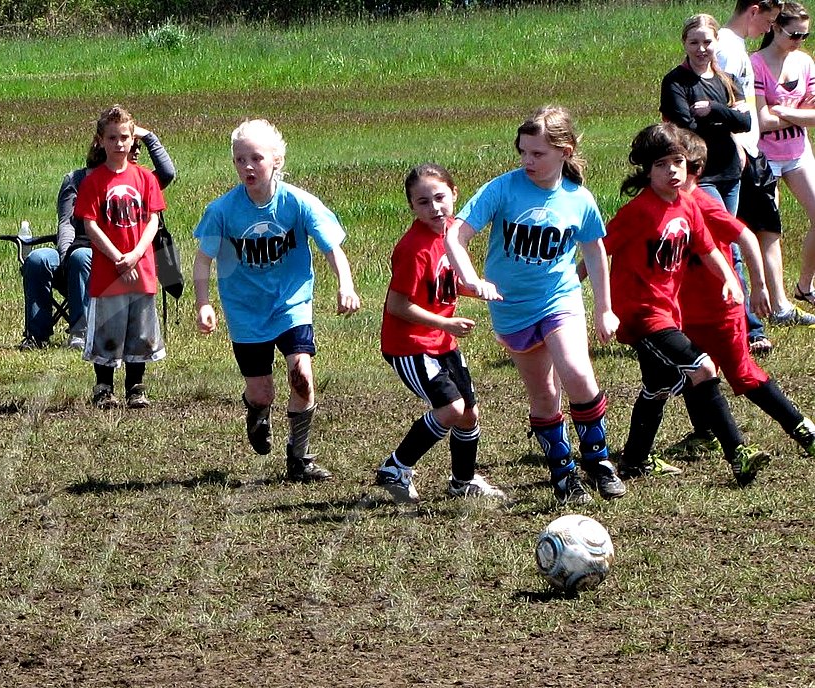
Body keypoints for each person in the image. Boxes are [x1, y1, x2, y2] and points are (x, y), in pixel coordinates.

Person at [444, 105, 625, 503]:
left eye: (538, 153)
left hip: (559, 298)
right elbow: (455, 235)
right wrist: (471, 278)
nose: (528, 161)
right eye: (523, 152)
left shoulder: (579, 199)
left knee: (576, 372)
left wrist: (603, 308)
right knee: (544, 393)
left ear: (566, 150)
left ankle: (598, 461)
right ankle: (563, 473)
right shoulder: (503, 189)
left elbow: (595, 253)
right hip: (511, 308)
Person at [193, 119, 361, 482]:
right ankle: (256, 410)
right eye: (240, 160)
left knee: (301, 375)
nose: (248, 167)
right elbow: (203, 259)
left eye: (256, 158)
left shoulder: (298, 203)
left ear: (277, 160)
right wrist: (203, 303)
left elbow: (332, 248)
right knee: (263, 391)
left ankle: (299, 459)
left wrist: (345, 285)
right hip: (245, 312)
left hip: (291, 304)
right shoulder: (222, 211)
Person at [605, 122, 771, 485]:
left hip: (669, 311)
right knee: (703, 367)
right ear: (647, 170)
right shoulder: (639, 212)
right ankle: (737, 452)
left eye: (678, 161)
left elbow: (707, 248)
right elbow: (598, 252)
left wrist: (729, 278)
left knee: (658, 387)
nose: (673, 170)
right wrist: (585, 297)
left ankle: (634, 461)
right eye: (662, 164)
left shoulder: (687, 205)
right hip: (641, 315)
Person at [671, 132, 815, 462]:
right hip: (688, 312)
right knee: (694, 371)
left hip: (722, 311)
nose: (672, 174)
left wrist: (760, 288)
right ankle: (704, 434)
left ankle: (802, 428)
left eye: (679, 165)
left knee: (744, 374)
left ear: (695, 170)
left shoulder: (704, 204)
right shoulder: (669, 206)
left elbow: (747, 237)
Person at [375, 163, 505, 501]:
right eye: (422, 202)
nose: (434, 208)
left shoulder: (450, 236)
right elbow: (398, 305)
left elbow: (442, 284)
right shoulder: (413, 249)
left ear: (454, 195)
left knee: (469, 413)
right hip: (410, 345)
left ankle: (463, 482)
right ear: (412, 207)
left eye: (439, 198)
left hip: (440, 342)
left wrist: (476, 288)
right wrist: (445, 323)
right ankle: (396, 467)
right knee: (450, 409)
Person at [664, 13, 770, 353]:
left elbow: (744, 120)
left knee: (719, 247)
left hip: (730, 173)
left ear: (716, 43)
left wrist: (714, 110)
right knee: (728, 246)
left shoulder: (724, 81)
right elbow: (684, 122)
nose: (700, 48)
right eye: (693, 42)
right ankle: (749, 328)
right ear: (684, 43)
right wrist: (721, 117)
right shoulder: (675, 82)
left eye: (707, 42)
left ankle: (725, 322)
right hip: (698, 176)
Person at [20, 126, 175, 350]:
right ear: (102, 145)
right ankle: (36, 335)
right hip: (74, 249)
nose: (134, 151)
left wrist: (149, 136)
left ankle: (81, 332)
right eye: (114, 139)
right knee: (38, 259)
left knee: (81, 257)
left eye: (129, 141)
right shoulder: (76, 179)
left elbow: (167, 173)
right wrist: (64, 256)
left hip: (117, 255)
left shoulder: (137, 180)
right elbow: (66, 224)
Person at [74, 105, 167, 410]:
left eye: (124, 137)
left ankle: (135, 386)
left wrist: (135, 254)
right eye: (112, 137)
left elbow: (153, 220)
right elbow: (90, 224)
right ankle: (103, 386)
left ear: (132, 140)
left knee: (139, 330)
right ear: (100, 140)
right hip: (108, 270)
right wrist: (117, 257)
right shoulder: (93, 181)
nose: (119, 143)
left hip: (141, 267)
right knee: (108, 329)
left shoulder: (144, 178)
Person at [719, 0, 785, 352]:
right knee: (734, 241)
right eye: (770, 21)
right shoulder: (727, 49)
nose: (768, 29)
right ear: (754, 10)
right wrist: (738, 150)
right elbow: (725, 104)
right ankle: (749, 326)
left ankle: (748, 323)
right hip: (736, 158)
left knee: (744, 236)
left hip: (748, 154)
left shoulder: (737, 46)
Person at [751, 2, 815, 323]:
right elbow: (760, 121)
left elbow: (814, 116)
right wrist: (796, 113)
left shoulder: (805, 62)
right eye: (794, 34)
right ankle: (778, 305)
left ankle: (805, 287)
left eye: (805, 35)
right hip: (765, 158)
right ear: (775, 27)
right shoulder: (756, 63)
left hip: (799, 153)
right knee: (769, 230)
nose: (800, 41)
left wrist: (783, 112)